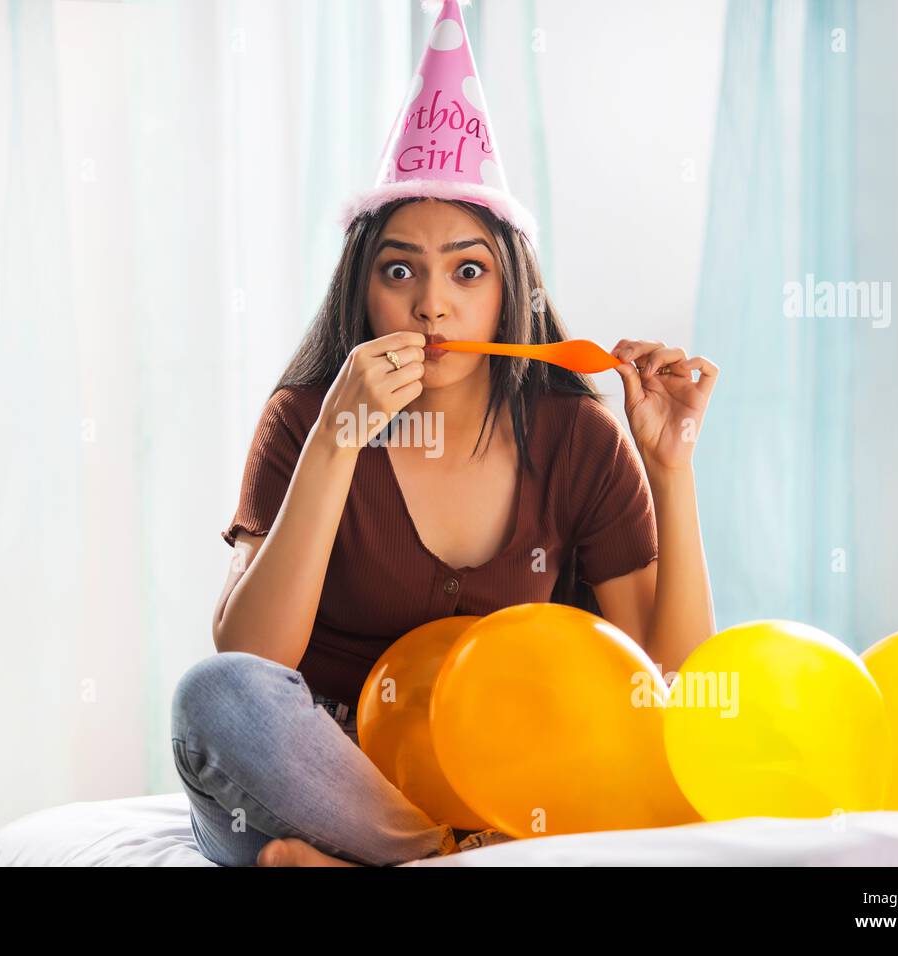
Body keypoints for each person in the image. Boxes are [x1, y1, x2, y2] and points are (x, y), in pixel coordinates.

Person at [170, 0, 719, 867]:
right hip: (330, 774)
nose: (433, 303)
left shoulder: (577, 437)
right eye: (401, 271)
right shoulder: (304, 419)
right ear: (364, 292)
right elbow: (250, 660)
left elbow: (679, 687)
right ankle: (431, 855)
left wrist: (670, 470)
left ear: (511, 295)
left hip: (511, 777)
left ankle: (354, 859)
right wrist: (335, 442)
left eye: (468, 269)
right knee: (215, 697)